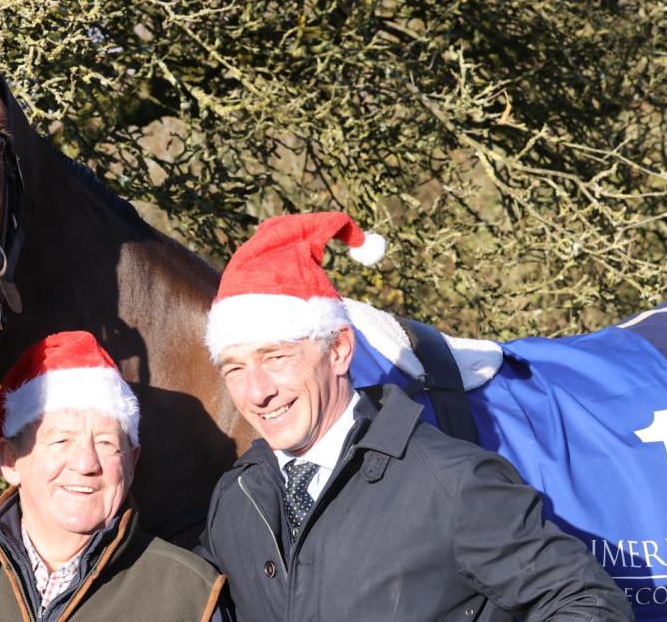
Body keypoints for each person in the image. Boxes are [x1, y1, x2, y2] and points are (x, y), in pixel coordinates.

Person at [199, 212, 634, 621]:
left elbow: (590, 604)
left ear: (338, 350)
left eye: (276, 357)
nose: (257, 392)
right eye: (234, 368)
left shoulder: (453, 481)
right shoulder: (237, 495)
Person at [0, 330, 225, 622]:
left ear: (131, 462)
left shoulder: (190, 596)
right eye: (61, 440)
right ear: (10, 460)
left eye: (106, 442)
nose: (85, 462)